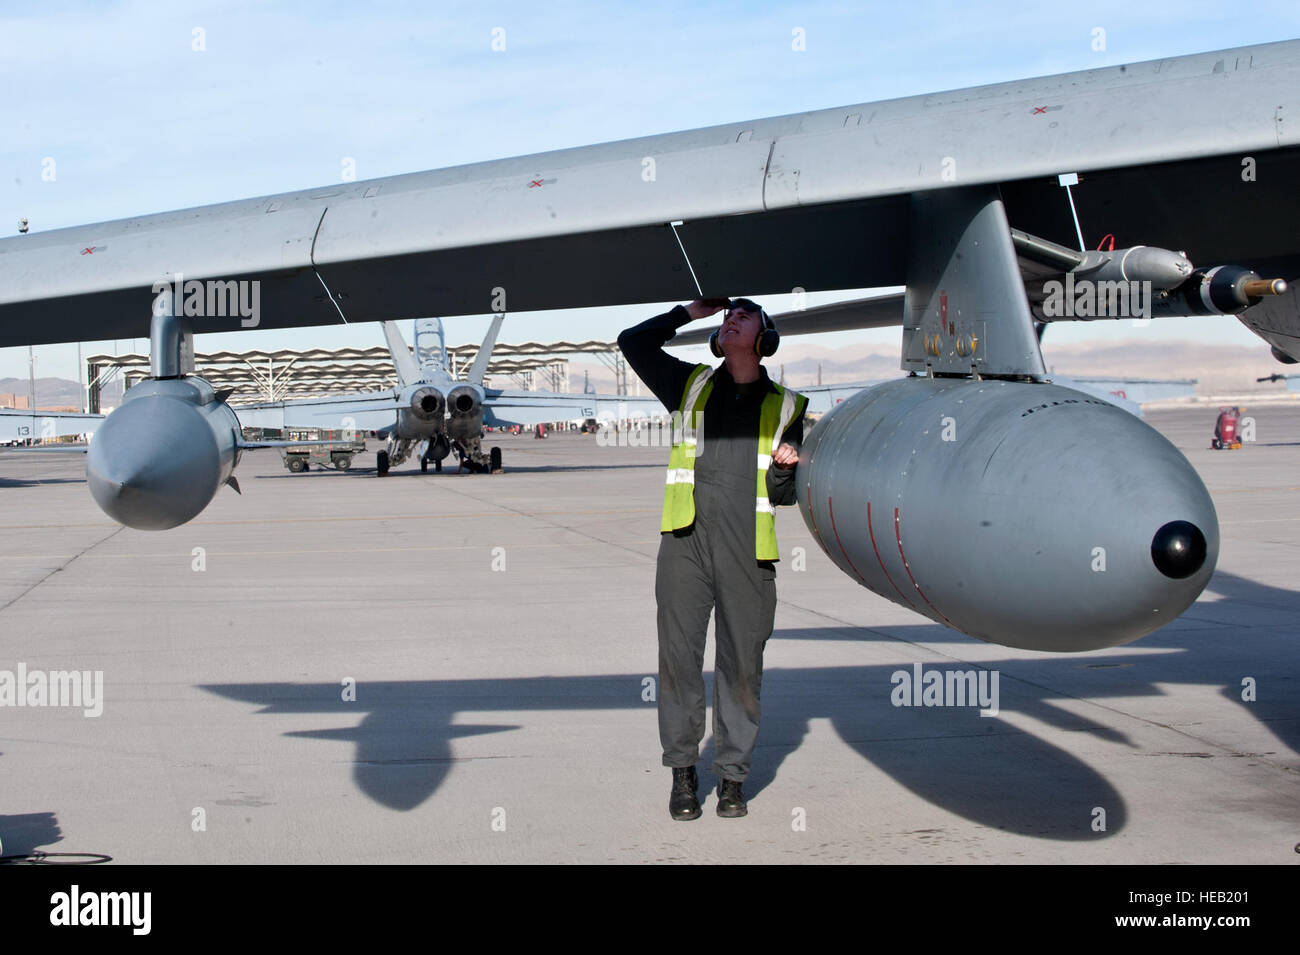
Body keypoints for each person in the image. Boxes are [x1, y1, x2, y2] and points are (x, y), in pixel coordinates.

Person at [617, 297, 807, 820]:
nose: (732, 319)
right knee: (677, 660)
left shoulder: (791, 406)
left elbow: (784, 495)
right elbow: (632, 343)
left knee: (741, 666)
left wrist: (790, 466)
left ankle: (732, 780)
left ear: (764, 338)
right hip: (686, 541)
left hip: (749, 549)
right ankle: (682, 774)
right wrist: (689, 311)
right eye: (728, 317)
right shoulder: (692, 384)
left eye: (744, 316)